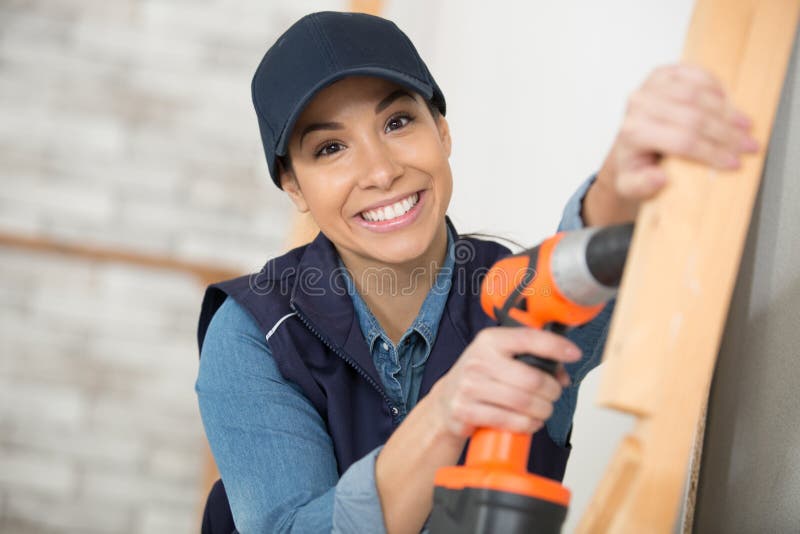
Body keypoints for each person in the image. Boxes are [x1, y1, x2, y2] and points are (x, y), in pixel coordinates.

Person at [195, 11, 759, 534]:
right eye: (331, 147)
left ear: (442, 132)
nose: (381, 171)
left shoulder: (518, 299)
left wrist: (620, 177)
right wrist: (445, 414)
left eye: (397, 122)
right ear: (293, 185)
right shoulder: (254, 333)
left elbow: (579, 272)